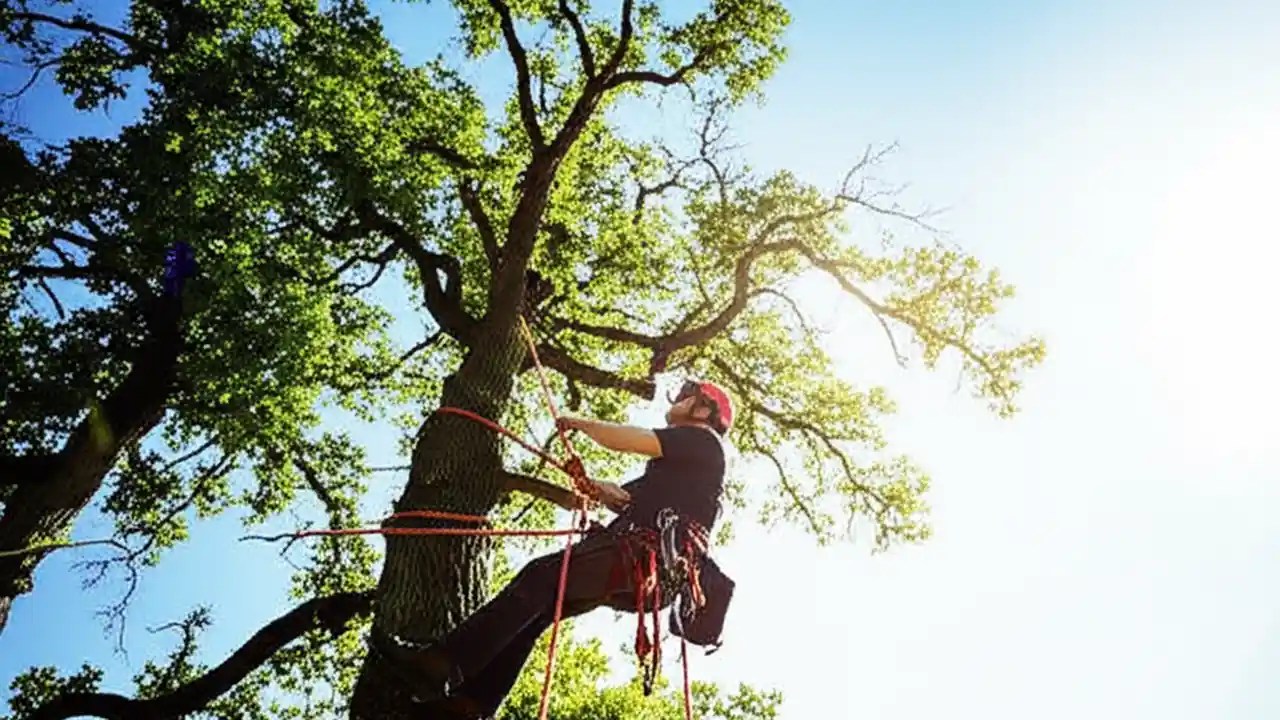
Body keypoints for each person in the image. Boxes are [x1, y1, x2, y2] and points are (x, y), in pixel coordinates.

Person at [370, 378, 736, 718]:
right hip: (647, 575)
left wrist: (580, 424)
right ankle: (469, 705)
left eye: (687, 391)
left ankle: (437, 666)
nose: (677, 398)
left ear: (703, 410)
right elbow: (625, 499)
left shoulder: (703, 441)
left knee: (540, 579)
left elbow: (632, 439)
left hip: (643, 559)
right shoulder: (680, 471)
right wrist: (591, 485)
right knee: (542, 607)